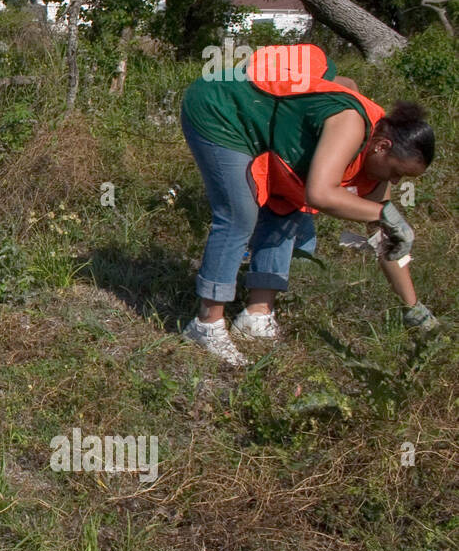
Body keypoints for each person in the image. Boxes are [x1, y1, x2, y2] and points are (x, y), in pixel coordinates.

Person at [179, 43, 437, 365]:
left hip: (266, 131)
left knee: (289, 205)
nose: (396, 183)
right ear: (383, 147)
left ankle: (256, 315)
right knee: (238, 215)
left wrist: (412, 306)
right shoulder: (350, 123)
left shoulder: (377, 169)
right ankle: (206, 324)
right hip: (222, 110)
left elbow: (385, 241)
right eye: (398, 173)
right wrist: (384, 212)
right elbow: (321, 194)